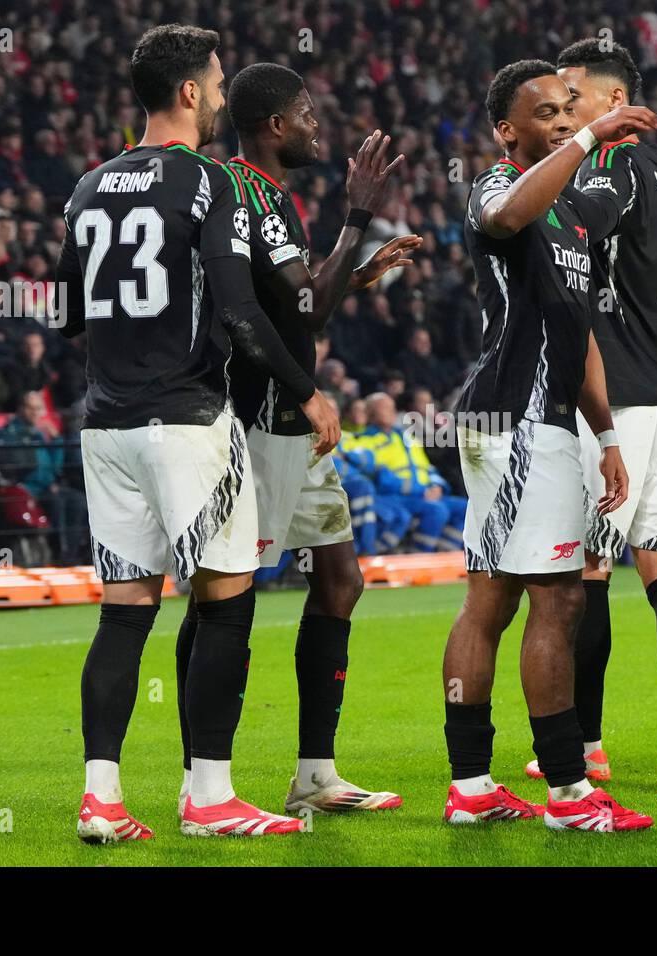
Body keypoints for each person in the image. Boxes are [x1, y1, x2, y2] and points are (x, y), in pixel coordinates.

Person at [54, 24, 340, 843]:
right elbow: (244, 314)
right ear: (189, 93)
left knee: (123, 612)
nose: (220, 97)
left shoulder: (86, 186)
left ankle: (102, 799)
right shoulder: (209, 182)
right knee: (224, 604)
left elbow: (69, 313)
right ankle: (208, 796)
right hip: (187, 421)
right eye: (215, 84)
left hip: (104, 426)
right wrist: (306, 391)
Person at [171, 61, 420, 818]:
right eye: (308, 115)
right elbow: (307, 308)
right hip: (264, 420)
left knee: (340, 581)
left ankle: (315, 772)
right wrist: (357, 216)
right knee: (222, 595)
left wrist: (360, 270)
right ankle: (202, 778)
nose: (318, 126)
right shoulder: (256, 192)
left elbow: (302, 292)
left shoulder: (247, 191)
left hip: (291, 421)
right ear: (275, 125)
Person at [442, 59, 657, 833]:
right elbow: (502, 220)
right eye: (547, 113)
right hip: (513, 421)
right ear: (508, 131)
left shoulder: (569, 215)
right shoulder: (499, 186)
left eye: (572, 109)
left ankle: (472, 788)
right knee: (555, 597)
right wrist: (596, 134)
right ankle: (567, 792)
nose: (566, 121)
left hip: (547, 425)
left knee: (494, 598)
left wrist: (605, 433)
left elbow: (582, 335)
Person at [519, 38, 657, 789]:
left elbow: (570, 224)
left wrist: (520, 196)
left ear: (611, 100)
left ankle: (588, 746)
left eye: (573, 97)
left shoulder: (611, 163)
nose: (564, 109)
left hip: (620, 402)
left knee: (588, 574)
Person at [358, 391, 465, 551]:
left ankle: (445, 556)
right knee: (436, 510)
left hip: (424, 495)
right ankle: (421, 559)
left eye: (392, 407)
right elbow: (381, 478)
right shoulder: (366, 441)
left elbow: (428, 468)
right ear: (370, 413)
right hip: (395, 497)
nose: (392, 411)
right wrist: (422, 490)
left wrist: (437, 486)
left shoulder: (408, 438)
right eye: (385, 407)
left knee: (466, 508)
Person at [0, 391, 87, 565]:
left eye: (39, 408)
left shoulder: (41, 432)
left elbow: (56, 467)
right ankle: (57, 553)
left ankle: (71, 554)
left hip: (48, 485)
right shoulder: (11, 431)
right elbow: (23, 467)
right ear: (21, 409)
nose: (35, 413)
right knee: (57, 502)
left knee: (78, 501)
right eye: (31, 408)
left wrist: (55, 442)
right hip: (27, 488)